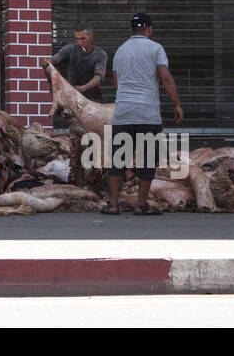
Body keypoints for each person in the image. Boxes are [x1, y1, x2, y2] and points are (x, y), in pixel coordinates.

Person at [103, 12, 184, 216]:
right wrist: (177, 104)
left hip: (123, 113)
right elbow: (165, 77)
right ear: (149, 29)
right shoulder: (156, 48)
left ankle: (113, 204)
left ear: (132, 30)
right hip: (147, 113)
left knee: (118, 160)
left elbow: (116, 83)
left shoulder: (120, 51)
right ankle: (141, 204)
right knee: (147, 160)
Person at [50, 23, 109, 130]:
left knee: (95, 134)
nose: (79, 42)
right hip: (74, 102)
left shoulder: (100, 54)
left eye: (83, 39)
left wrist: (83, 88)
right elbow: (52, 61)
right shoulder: (69, 49)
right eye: (76, 39)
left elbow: (98, 77)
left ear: (91, 36)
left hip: (94, 101)